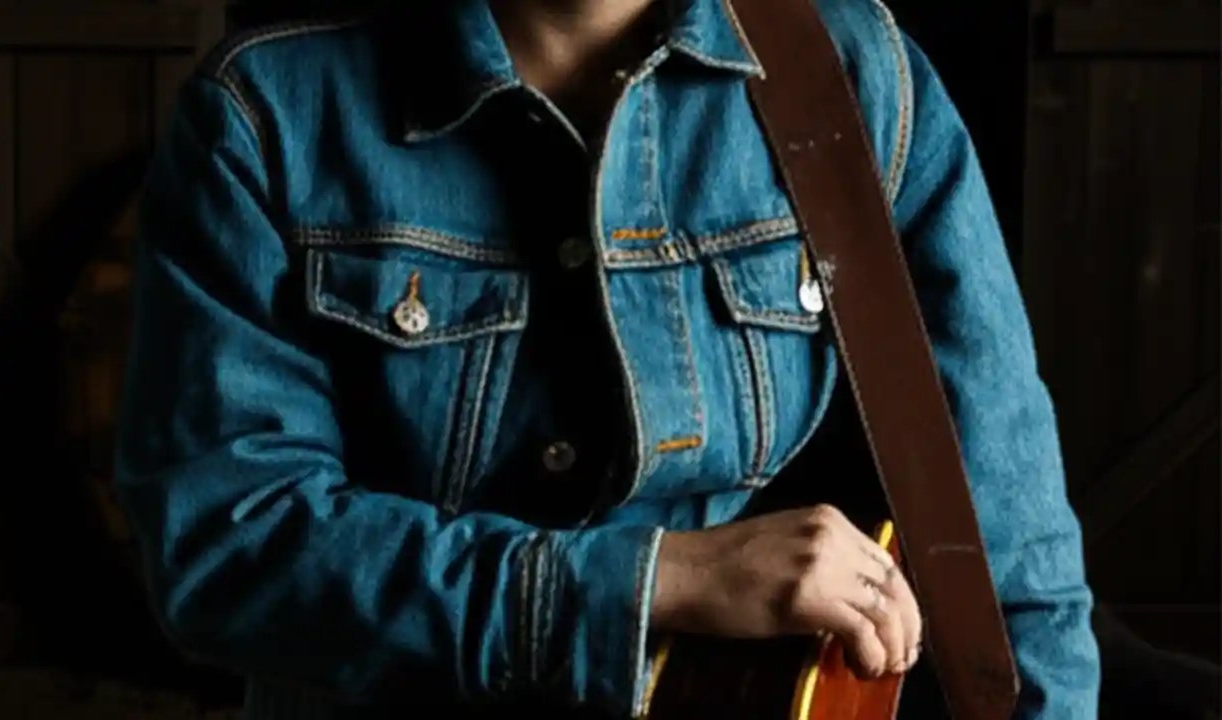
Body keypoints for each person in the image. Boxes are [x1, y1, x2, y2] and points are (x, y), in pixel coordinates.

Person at [114, 0, 1101, 717]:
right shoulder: (267, 114)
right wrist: (652, 581)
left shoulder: (856, 76)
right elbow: (226, 547)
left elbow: (1003, 535)